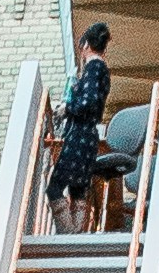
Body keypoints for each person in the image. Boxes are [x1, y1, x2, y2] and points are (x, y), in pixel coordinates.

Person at [48, 21, 114, 229]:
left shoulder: (94, 68)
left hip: (80, 135)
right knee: (78, 188)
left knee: (55, 187)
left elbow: (89, 101)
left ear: (86, 45)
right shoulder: (100, 70)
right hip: (87, 136)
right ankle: (76, 232)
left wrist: (67, 108)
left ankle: (68, 232)